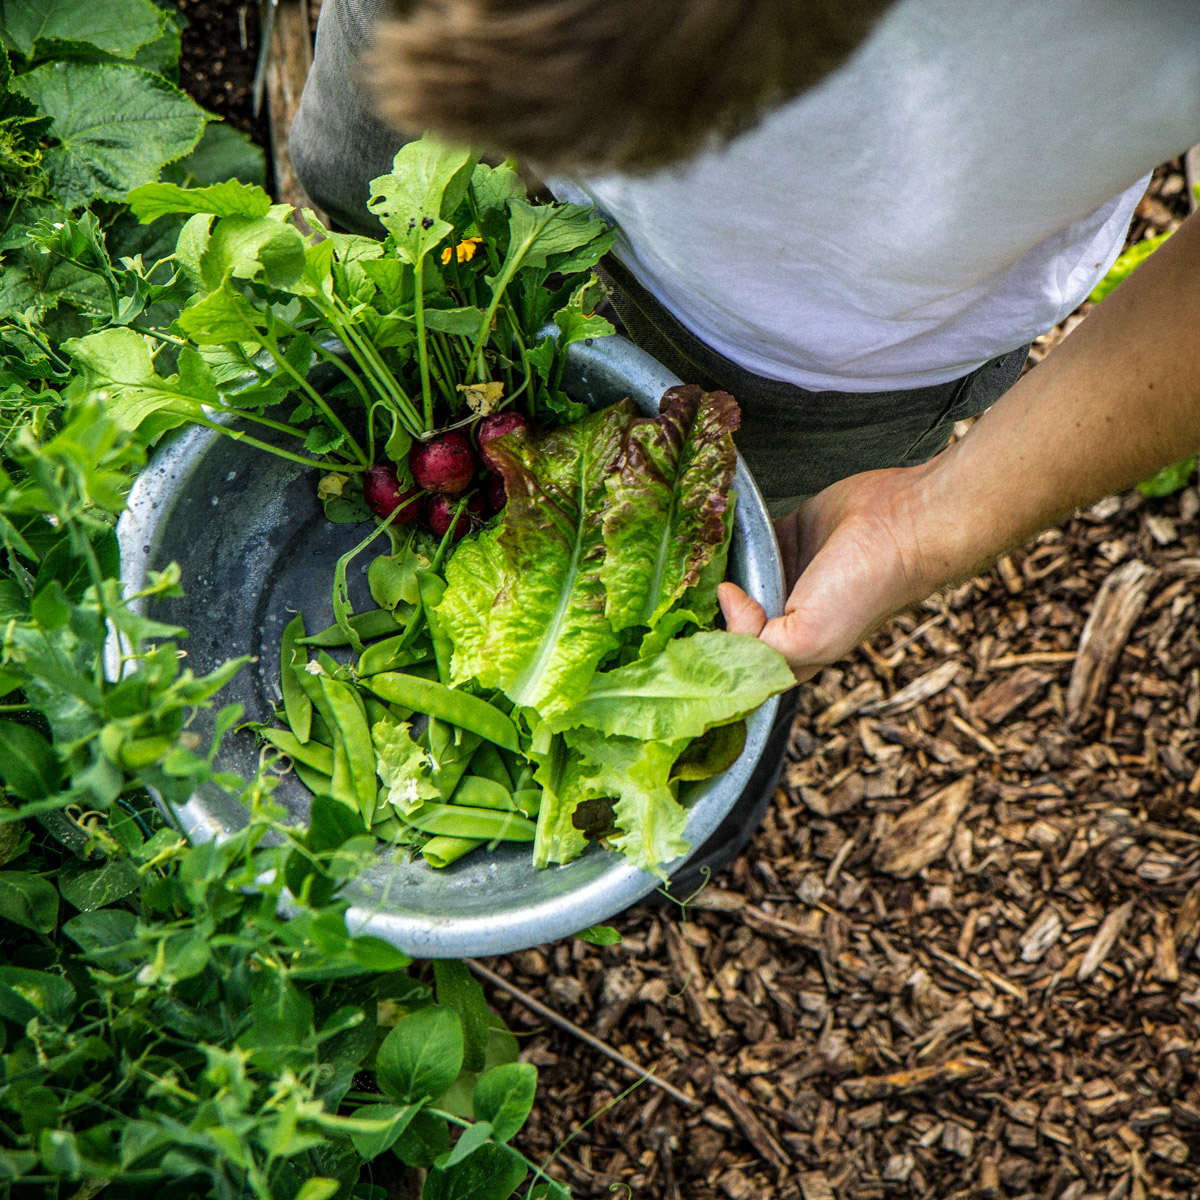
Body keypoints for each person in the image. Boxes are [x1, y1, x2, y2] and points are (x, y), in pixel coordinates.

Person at [290, 0, 1200, 886]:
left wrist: (930, 525)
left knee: (710, 587)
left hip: (814, 348)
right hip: (434, 57)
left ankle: (699, 778)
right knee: (364, 216)